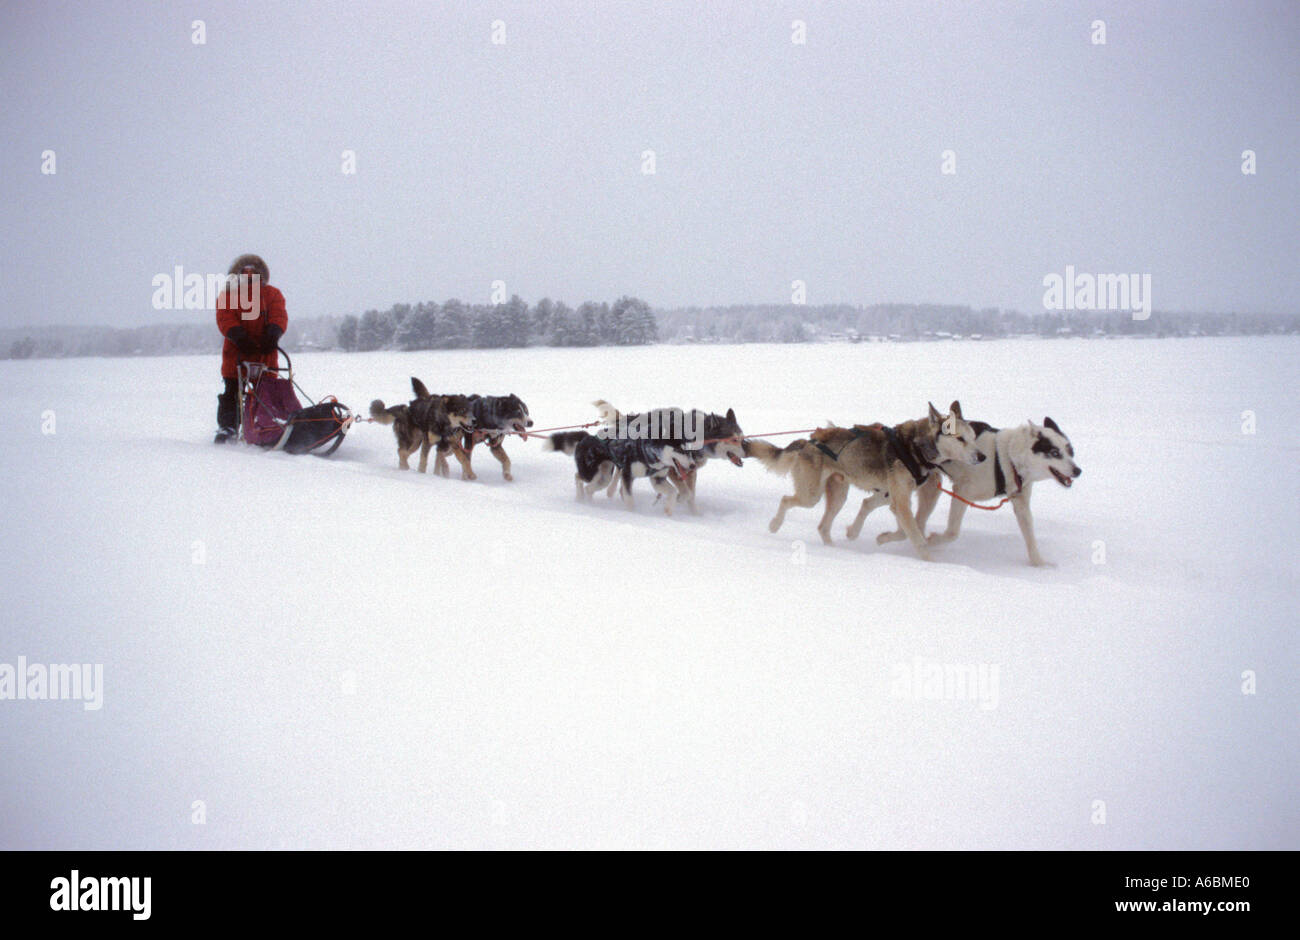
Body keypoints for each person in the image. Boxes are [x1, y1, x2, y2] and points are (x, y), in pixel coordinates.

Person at [213, 254, 287, 443]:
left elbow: (279, 315)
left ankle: (270, 425)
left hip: (265, 353)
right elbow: (224, 318)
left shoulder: (272, 294)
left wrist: (273, 333)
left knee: (267, 392)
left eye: (253, 273)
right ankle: (228, 427)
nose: (249, 277)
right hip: (236, 353)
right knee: (232, 392)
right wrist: (238, 336)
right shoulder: (227, 295)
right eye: (244, 273)